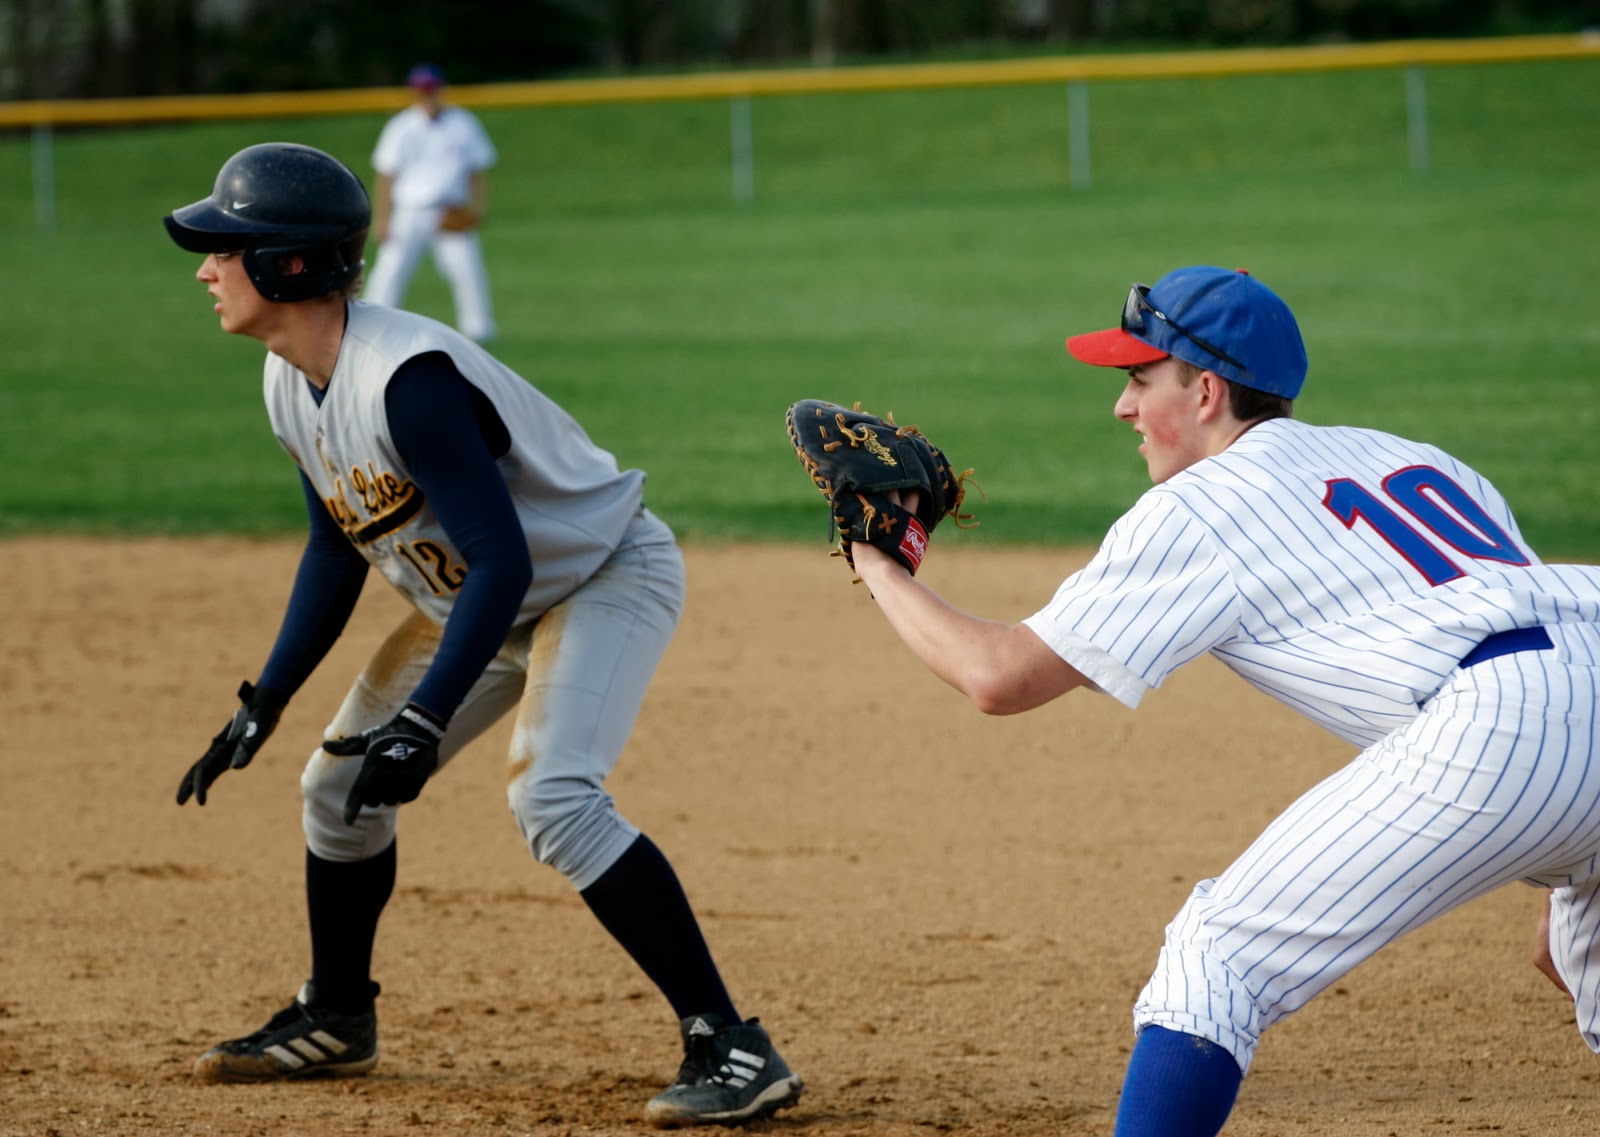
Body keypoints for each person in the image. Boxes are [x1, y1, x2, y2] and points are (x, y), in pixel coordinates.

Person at [846, 264, 1600, 1135]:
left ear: (1205, 391)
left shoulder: (1203, 505)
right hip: (1575, 673)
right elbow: (1539, 630)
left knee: (1217, 959)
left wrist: (878, 559)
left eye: (1139, 379)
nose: (1122, 407)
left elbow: (998, 674)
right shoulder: (1414, 457)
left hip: (1501, 725)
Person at [162, 141, 804, 1128]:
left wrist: (423, 721)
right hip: (475, 602)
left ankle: (732, 1044)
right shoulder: (289, 378)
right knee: (334, 789)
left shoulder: (406, 379)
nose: (206, 270)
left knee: (553, 794)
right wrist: (266, 700)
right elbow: (335, 547)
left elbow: (501, 557)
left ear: (287, 266)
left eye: (224, 250)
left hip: (598, 575)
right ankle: (337, 1015)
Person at [362, 63, 498, 343]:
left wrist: (477, 207)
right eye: (422, 90)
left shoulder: (463, 123)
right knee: (390, 270)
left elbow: (476, 169)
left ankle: (478, 329)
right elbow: (386, 175)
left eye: (431, 89)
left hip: (448, 209)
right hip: (410, 211)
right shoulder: (401, 126)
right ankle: (370, 326)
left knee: (467, 270)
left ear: (441, 88)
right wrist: (383, 218)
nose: (427, 95)